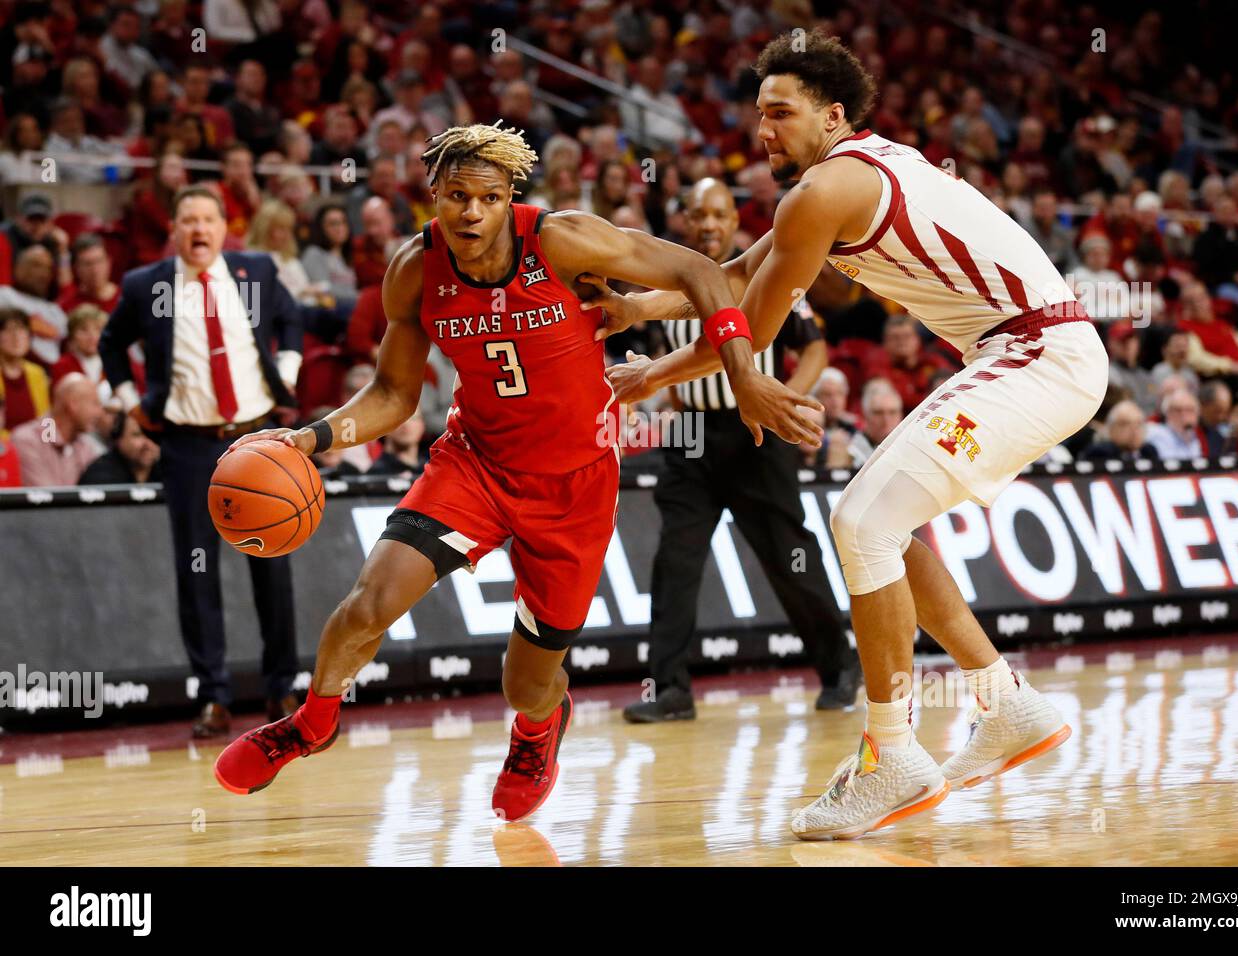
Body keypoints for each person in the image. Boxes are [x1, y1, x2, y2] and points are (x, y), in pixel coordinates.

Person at [211, 124, 816, 821]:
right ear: (433, 196)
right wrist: (311, 437)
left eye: (489, 198)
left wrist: (743, 374)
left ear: (509, 199)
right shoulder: (414, 269)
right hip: (475, 464)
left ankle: (538, 726)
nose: (471, 212)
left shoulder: (562, 240)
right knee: (367, 605)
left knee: (524, 685)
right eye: (456, 197)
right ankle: (312, 722)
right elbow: (394, 395)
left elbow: (702, 273)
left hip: (574, 486)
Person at [592, 32, 1107, 839]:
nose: (763, 130)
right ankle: (1006, 703)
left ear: (832, 115)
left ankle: (892, 753)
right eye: (758, 114)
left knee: (861, 522)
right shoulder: (854, 170)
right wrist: (637, 311)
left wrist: (662, 376)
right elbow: (733, 280)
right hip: (1036, 353)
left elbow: (751, 326)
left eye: (781, 112)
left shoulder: (823, 190)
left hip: (1037, 352)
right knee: (884, 527)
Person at [621, 178, 860, 724]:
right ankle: (670, 690)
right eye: (698, 215)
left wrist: (785, 400)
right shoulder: (665, 280)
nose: (708, 224)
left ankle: (840, 667)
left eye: (719, 214)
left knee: (789, 556)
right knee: (674, 562)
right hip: (692, 436)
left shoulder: (766, 271)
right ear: (684, 221)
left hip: (756, 434)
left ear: (733, 220)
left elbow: (815, 349)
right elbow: (668, 362)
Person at [99, 185, 304, 739]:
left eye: (208, 219)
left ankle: (282, 685)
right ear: (173, 229)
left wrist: (286, 374)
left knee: (272, 565)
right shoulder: (146, 286)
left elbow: (292, 319)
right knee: (197, 571)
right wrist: (128, 400)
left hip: (257, 439)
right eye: (188, 219)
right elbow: (111, 343)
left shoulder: (256, 270)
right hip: (189, 446)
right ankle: (213, 695)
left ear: (222, 228)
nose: (198, 229)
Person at [10, 372, 102, 486]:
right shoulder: (27, 440)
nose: (99, 413)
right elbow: (46, 495)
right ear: (73, 404)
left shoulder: (85, 445)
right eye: (95, 404)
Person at [79, 407, 162, 484]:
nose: (148, 443)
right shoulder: (100, 476)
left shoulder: (164, 472)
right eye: (137, 434)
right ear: (118, 438)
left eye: (153, 435)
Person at [0, 310, 50, 431]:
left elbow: (47, 419)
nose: (16, 337)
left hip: (34, 441)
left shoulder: (38, 373)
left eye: (22, 329)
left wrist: (50, 440)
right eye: (7, 330)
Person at [1081, 399, 1158, 463]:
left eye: (1139, 424)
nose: (1134, 429)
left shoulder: (1149, 451)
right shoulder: (1099, 453)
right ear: (1111, 429)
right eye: (1125, 424)